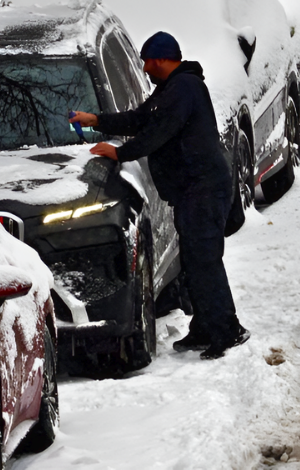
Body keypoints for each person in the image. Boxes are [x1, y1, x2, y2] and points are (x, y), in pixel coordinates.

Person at [70, 31, 250, 360]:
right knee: (194, 261)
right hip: (192, 189)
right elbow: (140, 119)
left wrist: (119, 153)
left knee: (205, 261)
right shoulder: (171, 89)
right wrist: (96, 120)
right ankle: (205, 326)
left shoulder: (184, 88)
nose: (145, 68)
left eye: (149, 62)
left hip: (204, 188)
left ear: (164, 59)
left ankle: (228, 330)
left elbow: (158, 132)